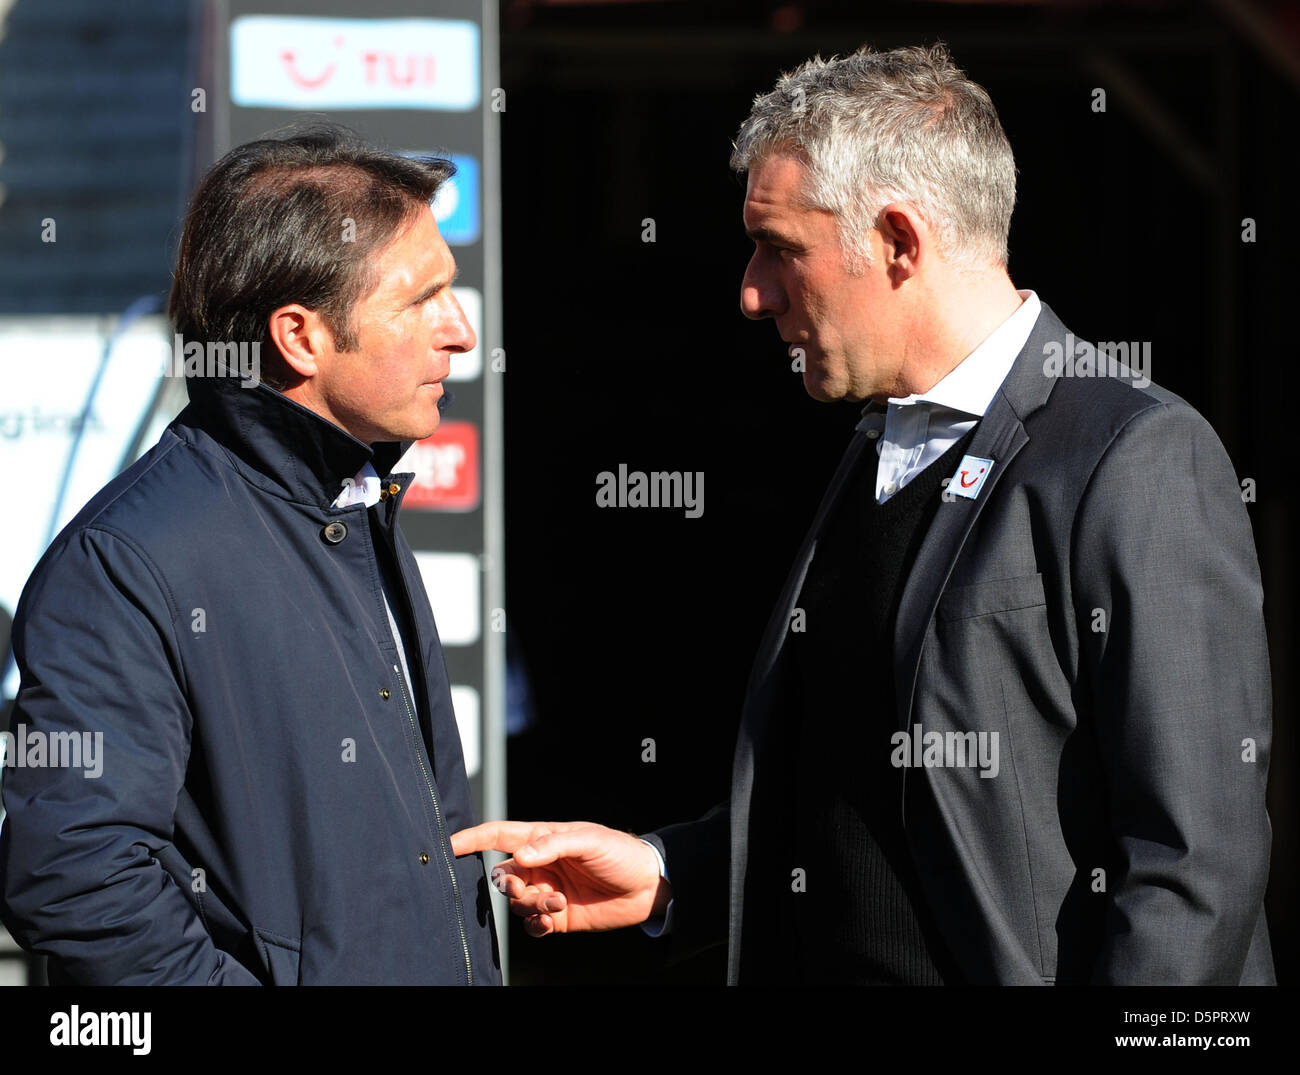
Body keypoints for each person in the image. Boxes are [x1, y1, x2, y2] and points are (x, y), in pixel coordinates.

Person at [453, 43, 1275, 985]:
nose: (753, 293)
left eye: (781, 248)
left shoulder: (1136, 455)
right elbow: (873, 805)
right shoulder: (876, 442)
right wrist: (675, 871)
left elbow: (1193, 867)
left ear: (899, 241)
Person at [0, 125, 501, 985]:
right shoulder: (122, 565)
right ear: (300, 337)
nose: (460, 330)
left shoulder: (356, 501)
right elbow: (74, 879)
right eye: (423, 300)